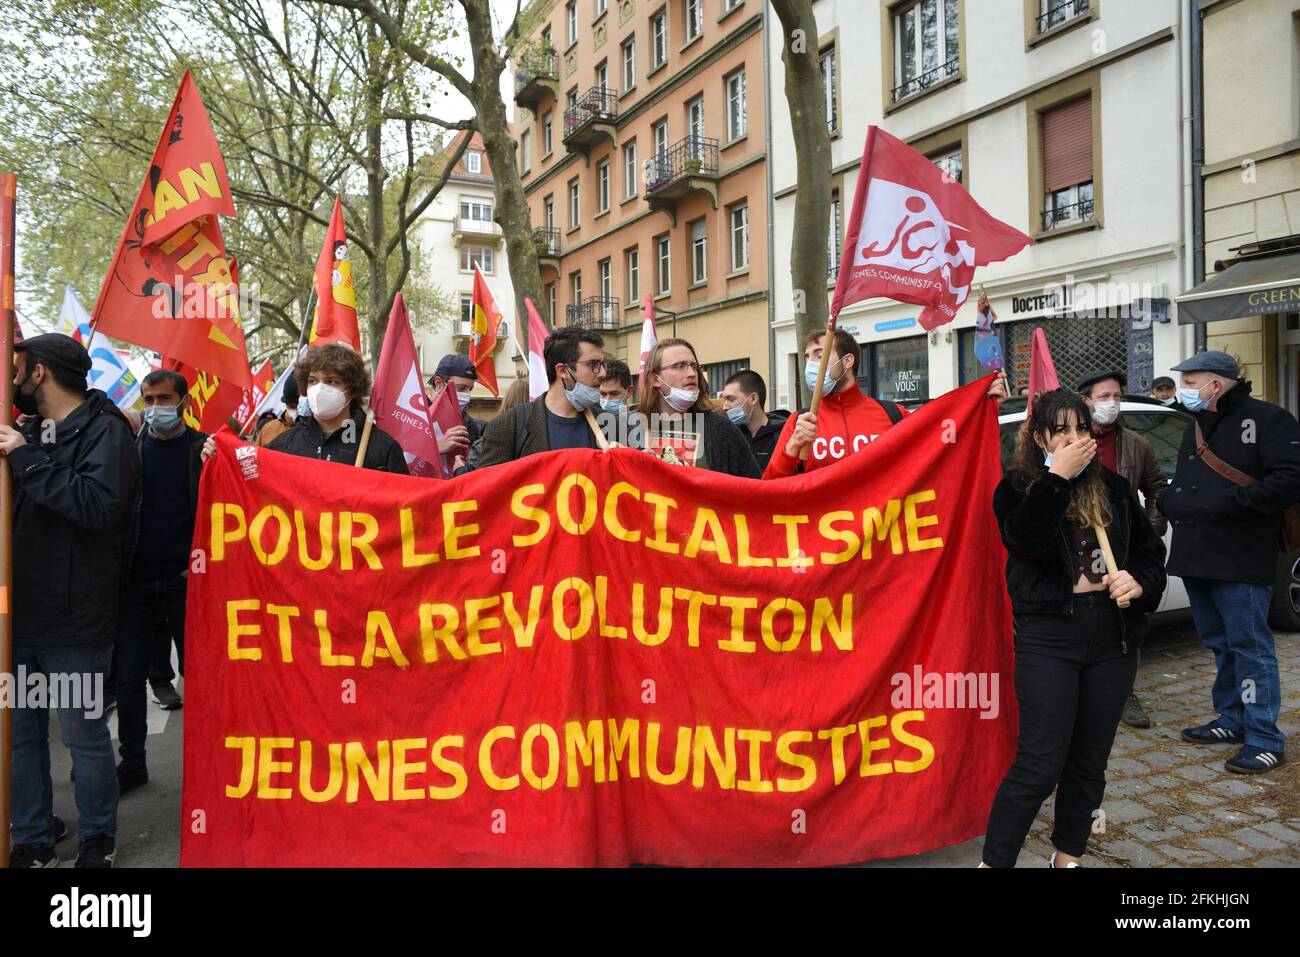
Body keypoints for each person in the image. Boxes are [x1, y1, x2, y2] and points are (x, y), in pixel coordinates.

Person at [982, 389, 1166, 867]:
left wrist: (1139, 582)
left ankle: (1068, 855)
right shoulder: (1019, 488)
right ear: (1041, 436)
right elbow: (1024, 542)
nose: (1074, 438)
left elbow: (1150, 557)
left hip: (1112, 637)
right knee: (1040, 762)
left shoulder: (1114, 488)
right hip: (1049, 639)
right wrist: (1055, 480)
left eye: (1082, 428)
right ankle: (995, 861)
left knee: (1089, 761)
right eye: (1061, 429)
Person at [1, 333, 141, 868]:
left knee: (83, 736)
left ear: (40, 373)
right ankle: (33, 837)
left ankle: (98, 838)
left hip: (76, 618)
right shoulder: (27, 432)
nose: (9, 376)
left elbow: (99, 507)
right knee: (20, 737)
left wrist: (30, 460)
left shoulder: (107, 433)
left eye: (16, 366)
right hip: (18, 616)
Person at [1159, 351, 1300, 773]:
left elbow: (1290, 480)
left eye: (1190, 381)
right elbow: (1186, 481)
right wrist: (1170, 500)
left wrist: (1231, 504)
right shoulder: (1197, 425)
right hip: (1196, 555)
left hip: (1241, 556)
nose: (1184, 390)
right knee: (1219, 644)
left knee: (1250, 648)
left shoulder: (1270, 420)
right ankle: (1232, 718)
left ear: (1215, 384)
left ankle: (1263, 737)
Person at [114, 369, 206, 795]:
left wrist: (197, 563)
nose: (155, 409)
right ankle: (132, 763)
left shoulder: (201, 451)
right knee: (130, 679)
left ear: (183, 403)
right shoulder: (129, 450)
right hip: (135, 585)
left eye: (164, 399)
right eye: (148, 400)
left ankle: (210, 766)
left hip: (187, 584)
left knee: (202, 678)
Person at [1077, 369, 1170, 729]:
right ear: (1086, 400)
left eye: (1117, 396)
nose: (1112, 403)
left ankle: (1125, 692)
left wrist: (1152, 527)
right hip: (1081, 548)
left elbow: (1157, 486)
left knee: (1127, 617)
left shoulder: (1137, 443)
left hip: (1122, 549)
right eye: (1104, 397)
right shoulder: (1072, 439)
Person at [201, 343, 408, 471]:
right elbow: (250, 486)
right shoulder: (283, 445)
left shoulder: (383, 449)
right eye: (312, 381)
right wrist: (220, 458)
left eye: (332, 381)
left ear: (351, 390)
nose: (319, 389)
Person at [764, 329, 911, 478]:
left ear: (847, 361)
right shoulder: (799, 421)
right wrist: (791, 448)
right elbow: (770, 485)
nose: (810, 365)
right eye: (807, 358)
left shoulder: (894, 415)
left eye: (819, 356)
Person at [475, 326, 610, 466]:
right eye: (593, 364)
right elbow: (490, 484)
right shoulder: (508, 426)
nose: (602, 373)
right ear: (563, 370)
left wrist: (621, 460)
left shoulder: (610, 424)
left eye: (602, 365)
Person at [633, 338, 761, 478]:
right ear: (655, 379)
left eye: (694, 366)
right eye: (680, 366)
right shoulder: (627, 427)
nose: (692, 373)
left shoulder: (723, 430)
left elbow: (753, 487)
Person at [720, 369, 790, 473]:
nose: (725, 406)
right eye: (724, 400)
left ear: (753, 399)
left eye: (731, 399)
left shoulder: (783, 436)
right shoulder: (730, 437)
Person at [428, 354, 486, 465]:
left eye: (470, 389)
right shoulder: (416, 415)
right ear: (439, 383)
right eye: (461, 388)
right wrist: (436, 448)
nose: (467, 396)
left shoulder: (473, 426)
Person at [255, 374, 299, 447]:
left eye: (301, 406)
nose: (297, 410)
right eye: (292, 406)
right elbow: (257, 456)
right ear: (286, 404)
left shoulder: (320, 427)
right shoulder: (269, 429)